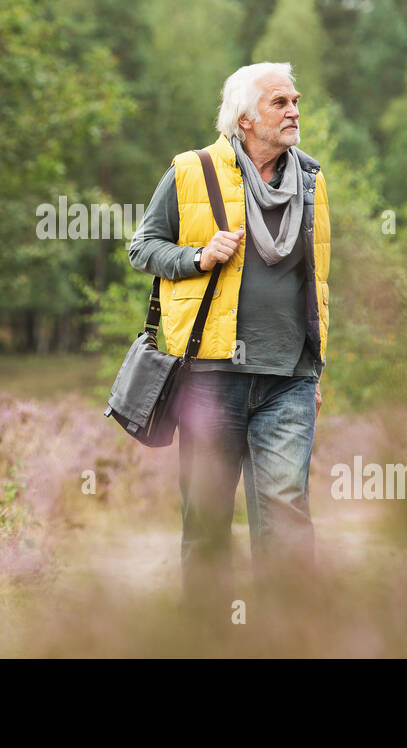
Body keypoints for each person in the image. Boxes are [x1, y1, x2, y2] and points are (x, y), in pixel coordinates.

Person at [127, 61, 331, 619]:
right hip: (210, 377)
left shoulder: (310, 180)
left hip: (288, 378)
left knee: (287, 513)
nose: (294, 111)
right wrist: (196, 257)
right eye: (279, 103)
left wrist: (314, 370)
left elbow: (317, 284)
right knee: (208, 516)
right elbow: (142, 246)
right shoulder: (191, 171)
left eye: (296, 100)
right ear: (244, 118)